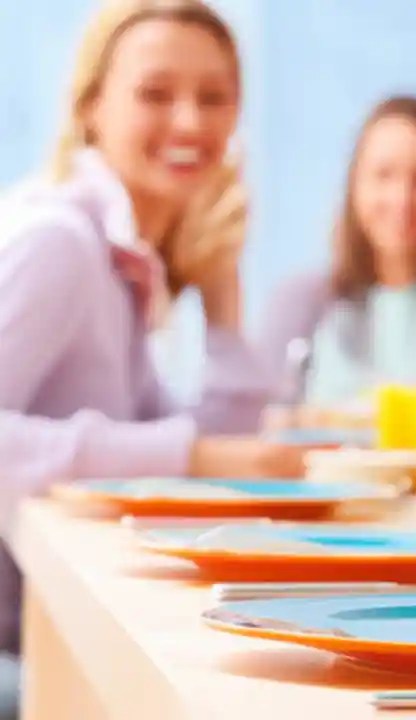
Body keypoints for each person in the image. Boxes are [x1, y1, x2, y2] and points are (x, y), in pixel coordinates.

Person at [0, 0, 307, 671]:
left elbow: (229, 456)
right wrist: (192, 454)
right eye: (155, 93)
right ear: (90, 106)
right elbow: (198, 457)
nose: (192, 122)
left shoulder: (123, 263)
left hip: (66, 632)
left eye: (215, 97)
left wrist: (224, 302)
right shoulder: (60, 243)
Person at [258, 97, 416, 405]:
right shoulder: (297, 305)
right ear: (354, 187)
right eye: (383, 175)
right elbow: (263, 428)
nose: (402, 198)